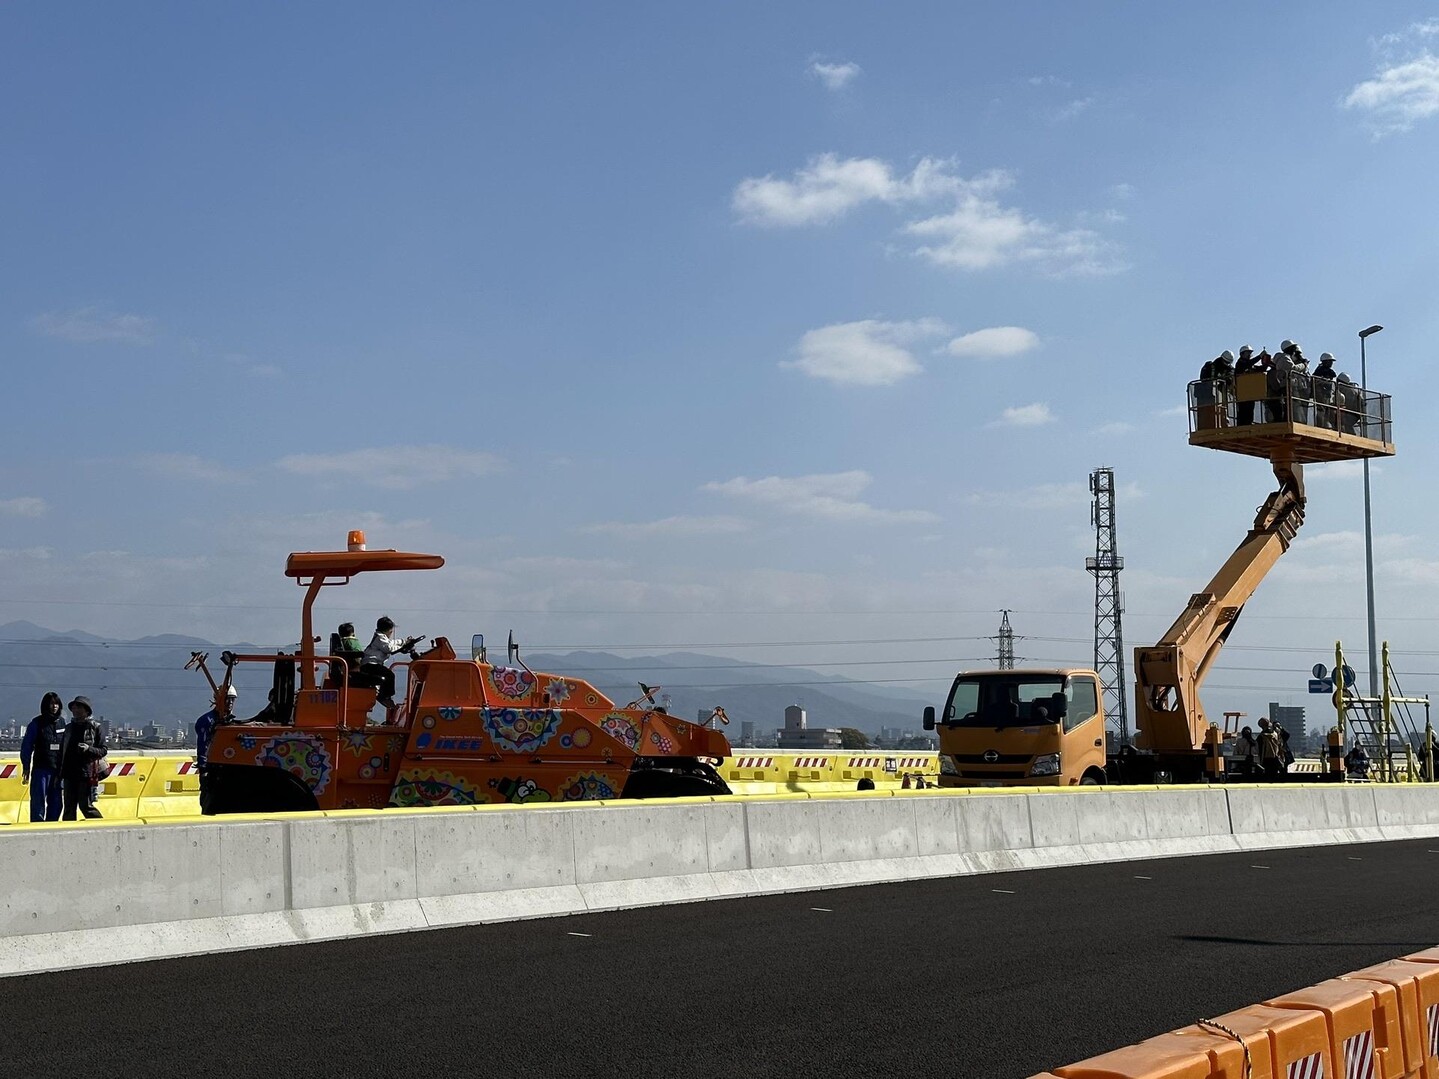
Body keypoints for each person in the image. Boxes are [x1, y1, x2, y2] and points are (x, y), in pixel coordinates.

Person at [20, 692, 66, 822]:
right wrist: (26, 766)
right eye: (51, 703)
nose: (54, 706)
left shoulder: (62, 723)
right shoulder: (36, 723)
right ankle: (37, 825)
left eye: (56, 703)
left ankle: (52, 825)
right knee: (38, 801)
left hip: (57, 770)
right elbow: (27, 746)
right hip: (41, 769)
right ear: (45, 705)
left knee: (57, 802)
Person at [59, 696, 106, 820]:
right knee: (69, 807)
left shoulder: (95, 727)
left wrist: (88, 749)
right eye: (73, 707)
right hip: (69, 773)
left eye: (78, 707)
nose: (75, 709)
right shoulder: (69, 728)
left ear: (86, 710)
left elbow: (103, 750)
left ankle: (99, 826)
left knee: (86, 806)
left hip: (86, 773)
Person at [359, 616, 422, 709]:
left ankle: (385, 696)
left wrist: (404, 642)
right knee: (389, 675)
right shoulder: (379, 638)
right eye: (391, 630)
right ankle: (384, 697)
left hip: (373, 664)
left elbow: (391, 643)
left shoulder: (381, 637)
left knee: (388, 675)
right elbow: (389, 648)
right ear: (388, 630)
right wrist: (402, 647)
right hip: (370, 664)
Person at [195, 685, 237, 802]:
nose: (230, 703)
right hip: (211, 766)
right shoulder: (207, 721)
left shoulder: (229, 721)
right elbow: (203, 745)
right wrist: (203, 769)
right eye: (227, 699)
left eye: (232, 699)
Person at [1234, 346, 1259, 425]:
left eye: (1250, 353)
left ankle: (1249, 423)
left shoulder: (1250, 365)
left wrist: (1266, 363)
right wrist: (1259, 357)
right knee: (1243, 410)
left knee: (1250, 408)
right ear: (1242, 354)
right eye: (1247, 353)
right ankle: (1242, 425)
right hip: (1242, 392)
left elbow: (1258, 368)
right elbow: (1247, 364)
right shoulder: (1240, 363)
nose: (1249, 354)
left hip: (1250, 391)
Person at [1312, 352, 1337, 428]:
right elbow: (1316, 381)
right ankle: (1320, 426)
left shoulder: (1327, 371)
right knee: (1321, 409)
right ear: (1325, 361)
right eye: (1330, 361)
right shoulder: (1320, 371)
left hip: (1326, 393)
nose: (1331, 363)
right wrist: (1324, 381)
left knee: (1326, 410)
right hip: (1321, 393)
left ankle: (1324, 425)